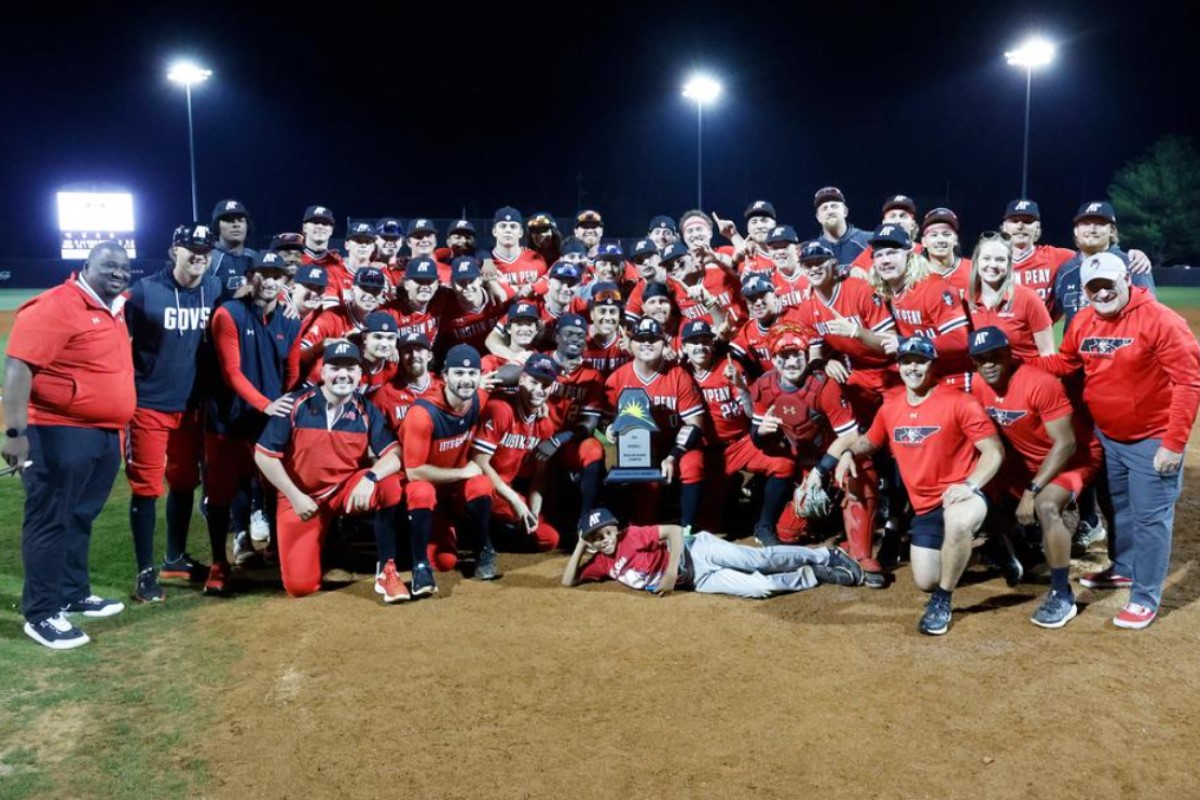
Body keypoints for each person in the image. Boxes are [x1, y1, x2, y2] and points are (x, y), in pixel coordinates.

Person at [1032, 253, 1200, 629]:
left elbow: (1188, 383)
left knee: (1150, 518)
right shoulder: (1085, 321)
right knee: (1118, 508)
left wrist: (1172, 445)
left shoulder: (1160, 320)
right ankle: (1123, 567)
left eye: (1109, 284)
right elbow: (1067, 363)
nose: (1103, 292)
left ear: (1127, 280)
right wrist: (1024, 363)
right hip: (1108, 435)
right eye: (1094, 287)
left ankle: (1145, 597)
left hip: (1151, 439)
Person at [4, 241, 135, 649]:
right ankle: (41, 613)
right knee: (50, 519)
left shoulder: (115, 307)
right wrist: (14, 434)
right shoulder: (57, 305)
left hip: (101, 432)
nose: (118, 272)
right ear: (85, 266)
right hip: (57, 431)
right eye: (109, 266)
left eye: (124, 268)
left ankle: (73, 592)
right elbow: (18, 368)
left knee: (79, 515)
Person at [836, 336, 1004, 635]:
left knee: (957, 522)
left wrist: (970, 485)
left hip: (965, 494)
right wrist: (849, 452)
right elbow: (870, 442)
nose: (912, 367)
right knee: (926, 580)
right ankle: (991, 550)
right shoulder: (891, 407)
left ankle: (943, 601)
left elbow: (994, 452)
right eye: (906, 361)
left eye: (920, 360)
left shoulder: (959, 401)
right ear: (898, 365)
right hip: (925, 506)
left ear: (933, 365)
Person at [967, 327, 1101, 629]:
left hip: (1072, 459)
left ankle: (1061, 593)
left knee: (1047, 506)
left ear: (1009, 354)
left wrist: (1032, 490)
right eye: (979, 359)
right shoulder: (978, 383)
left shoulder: (1039, 383)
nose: (988, 364)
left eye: (994, 356)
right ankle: (1024, 550)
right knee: (975, 495)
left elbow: (1066, 444)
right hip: (1022, 462)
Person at [254, 340, 405, 601]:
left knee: (388, 484)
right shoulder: (294, 404)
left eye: (351, 368)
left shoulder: (366, 409)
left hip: (344, 491)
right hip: (300, 497)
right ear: (322, 373)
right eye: (335, 367)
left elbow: (394, 455)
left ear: (360, 375)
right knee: (299, 586)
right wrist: (294, 496)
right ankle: (324, 545)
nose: (343, 375)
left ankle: (387, 571)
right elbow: (263, 456)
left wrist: (370, 477)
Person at [124, 224, 222, 602]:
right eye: (190, 248)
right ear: (173, 251)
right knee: (146, 489)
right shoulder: (145, 291)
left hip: (192, 407)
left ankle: (175, 558)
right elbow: (119, 345)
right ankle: (145, 573)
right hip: (148, 405)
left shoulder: (213, 288)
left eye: (204, 250)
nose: (198, 255)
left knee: (183, 483)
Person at [748, 326, 883, 585]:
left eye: (797, 354)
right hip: (802, 462)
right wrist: (760, 432)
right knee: (786, 535)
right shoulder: (764, 386)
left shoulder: (823, 385)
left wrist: (822, 471)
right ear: (774, 359)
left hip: (831, 457)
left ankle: (862, 554)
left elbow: (852, 434)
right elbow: (756, 434)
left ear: (806, 355)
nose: (791, 362)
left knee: (861, 468)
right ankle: (832, 525)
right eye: (783, 356)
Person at [203, 251, 302, 595]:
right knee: (222, 489)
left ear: (285, 281)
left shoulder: (290, 320)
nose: (271, 280)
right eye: (263, 273)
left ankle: (275, 547)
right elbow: (231, 372)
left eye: (277, 275)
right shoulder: (228, 314)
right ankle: (219, 562)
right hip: (227, 417)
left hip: (268, 418)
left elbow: (292, 370)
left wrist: (283, 402)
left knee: (271, 485)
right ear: (251, 277)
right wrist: (267, 403)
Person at [562, 508, 867, 598]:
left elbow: (673, 530)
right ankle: (811, 575)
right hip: (698, 581)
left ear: (616, 529)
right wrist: (580, 544)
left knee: (757, 559)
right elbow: (568, 581)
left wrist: (669, 574)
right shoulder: (602, 563)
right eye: (596, 539)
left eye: (606, 533)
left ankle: (824, 555)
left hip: (697, 552)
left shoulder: (632, 536)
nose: (604, 541)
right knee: (760, 588)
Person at [680, 320, 797, 540]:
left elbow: (753, 413)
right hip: (706, 452)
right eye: (694, 342)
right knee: (709, 527)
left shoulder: (729, 367)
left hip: (740, 442)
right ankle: (732, 489)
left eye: (705, 341)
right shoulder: (680, 373)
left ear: (713, 344)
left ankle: (764, 525)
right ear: (684, 346)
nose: (700, 347)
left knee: (784, 465)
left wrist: (741, 386)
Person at [403, 344, 498, 593]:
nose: (465, 380)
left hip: (454, 492)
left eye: (471, 374)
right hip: (427, 494)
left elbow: (514, 366)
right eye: (458, 374)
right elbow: (413, 472)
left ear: (480, 377)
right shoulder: (423, 413)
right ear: (444, 377)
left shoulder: (477, 397)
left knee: (481, 484)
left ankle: (484, 548)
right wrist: (461, 473)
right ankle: (420, 566)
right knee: (443, 561)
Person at [605, 318, 707, 531]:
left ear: (664, 343)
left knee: (692, 463)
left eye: (654, 339)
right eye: (641, 339)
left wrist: (672, 456)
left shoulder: (678, 375)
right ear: (631, 344)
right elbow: (603, 417)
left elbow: (695, 424)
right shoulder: (617, 378)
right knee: (643, 518)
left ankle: (688, 529)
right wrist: (608, 427)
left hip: (675, 446)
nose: (647, 344)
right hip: (639, 453)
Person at [471, 355, 562, 553]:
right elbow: (479, 462)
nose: (539, 390)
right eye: (534, 382)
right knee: (484, 491)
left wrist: (534, 511)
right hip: (484, 485)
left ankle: (501, 532)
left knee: (548, 539)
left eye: (545, 385)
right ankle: (478, 535)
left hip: (508, 488)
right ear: (521, 380)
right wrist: (515, 501)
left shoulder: (545, 423)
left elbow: (540, 475)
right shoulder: (501, 409)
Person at [867, 223, 972, 388]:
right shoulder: (885, 291)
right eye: (879, 255)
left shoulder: (934, 287)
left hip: (952, 377)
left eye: (893, 253)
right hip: (919, 377)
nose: (886, 260)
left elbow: (961, 340)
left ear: (909, 254)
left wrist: (906, 343)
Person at [536, 314, 608, 532]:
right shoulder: (539, 362)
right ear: (556, 336)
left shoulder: (592, 375)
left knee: (593, 448)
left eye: (580, 335)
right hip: (535, 439)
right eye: (568, 334)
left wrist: (560, 439)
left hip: (568, 442)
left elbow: (590, 423)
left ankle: (585, 522)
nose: (575, 339)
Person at [1053, 201, 1155, 329]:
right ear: (1076, 231)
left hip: (1119, 347)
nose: (1092, 229)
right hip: (1074, 347)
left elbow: (1148, 315)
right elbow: (1054, 312)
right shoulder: (1065, 270)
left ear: (1112, 231)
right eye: (1085, 223)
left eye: (1099, 223)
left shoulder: (1133, 264)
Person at [964, 233, 1055, 361]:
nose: (993, 265)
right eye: (986, 258)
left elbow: (1048, 354)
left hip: (1026, 377)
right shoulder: (966, 300)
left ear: (1008, 264)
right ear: (976, 261)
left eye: (1000, 260)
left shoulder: (1028, 298)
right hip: (985, 378)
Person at [208, 199, 256, 303]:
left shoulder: (255, 258)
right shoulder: (208, 259)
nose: (236, 225)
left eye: (241, 220)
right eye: (229, 220)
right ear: (217, 226)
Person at [813, 186, 871, 267]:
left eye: (834, 206)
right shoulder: (812, 250)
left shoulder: (869, 240)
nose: (830, 211)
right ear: (818, 217)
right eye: (824, 208)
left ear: (845, 212)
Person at [490, 206, 548, 290]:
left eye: (513, 226)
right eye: (503, 226)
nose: (508, 230)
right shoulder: (486, 262)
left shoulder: (536, 258)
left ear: (520, 233)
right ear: (494, 231)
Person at [920, 208, 970, 293]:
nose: (940, 240)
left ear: (955, 240)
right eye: (934, 235)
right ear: (924, 242)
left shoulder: (972, 270)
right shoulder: (914, 275)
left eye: (946, 234)